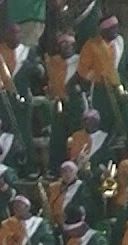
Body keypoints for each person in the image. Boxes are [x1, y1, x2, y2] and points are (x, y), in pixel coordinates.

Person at [0, 24, 39, 176]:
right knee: (5, 132)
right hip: (2, 98)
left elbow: (39, 73)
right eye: (10, 34)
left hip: (22, 96)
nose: (14, 37)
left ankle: (29, 167)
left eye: (16, 34)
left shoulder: (28, 52)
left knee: (24, 133)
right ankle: (8, 166)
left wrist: (31, 67)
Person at [78, 16, 128, 139]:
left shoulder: (121, 42)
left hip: (121, 85)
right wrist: (98, 75)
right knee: (105, 121)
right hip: (101, 88)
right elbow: (82, 70)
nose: (116, 30)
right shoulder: (92, 45)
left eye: (116, 27)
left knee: (127, 118)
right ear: (103, 31)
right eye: (112, 28)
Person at [44, 34, 86, 178]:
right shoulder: (53, 62)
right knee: (57, 137)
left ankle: (78, 167)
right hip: (59, 102)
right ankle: (55, 169)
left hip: (75, 102)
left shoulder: (81, 61)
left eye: (69, 45)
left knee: (77, 135)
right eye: (63, 45)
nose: (66, 48)